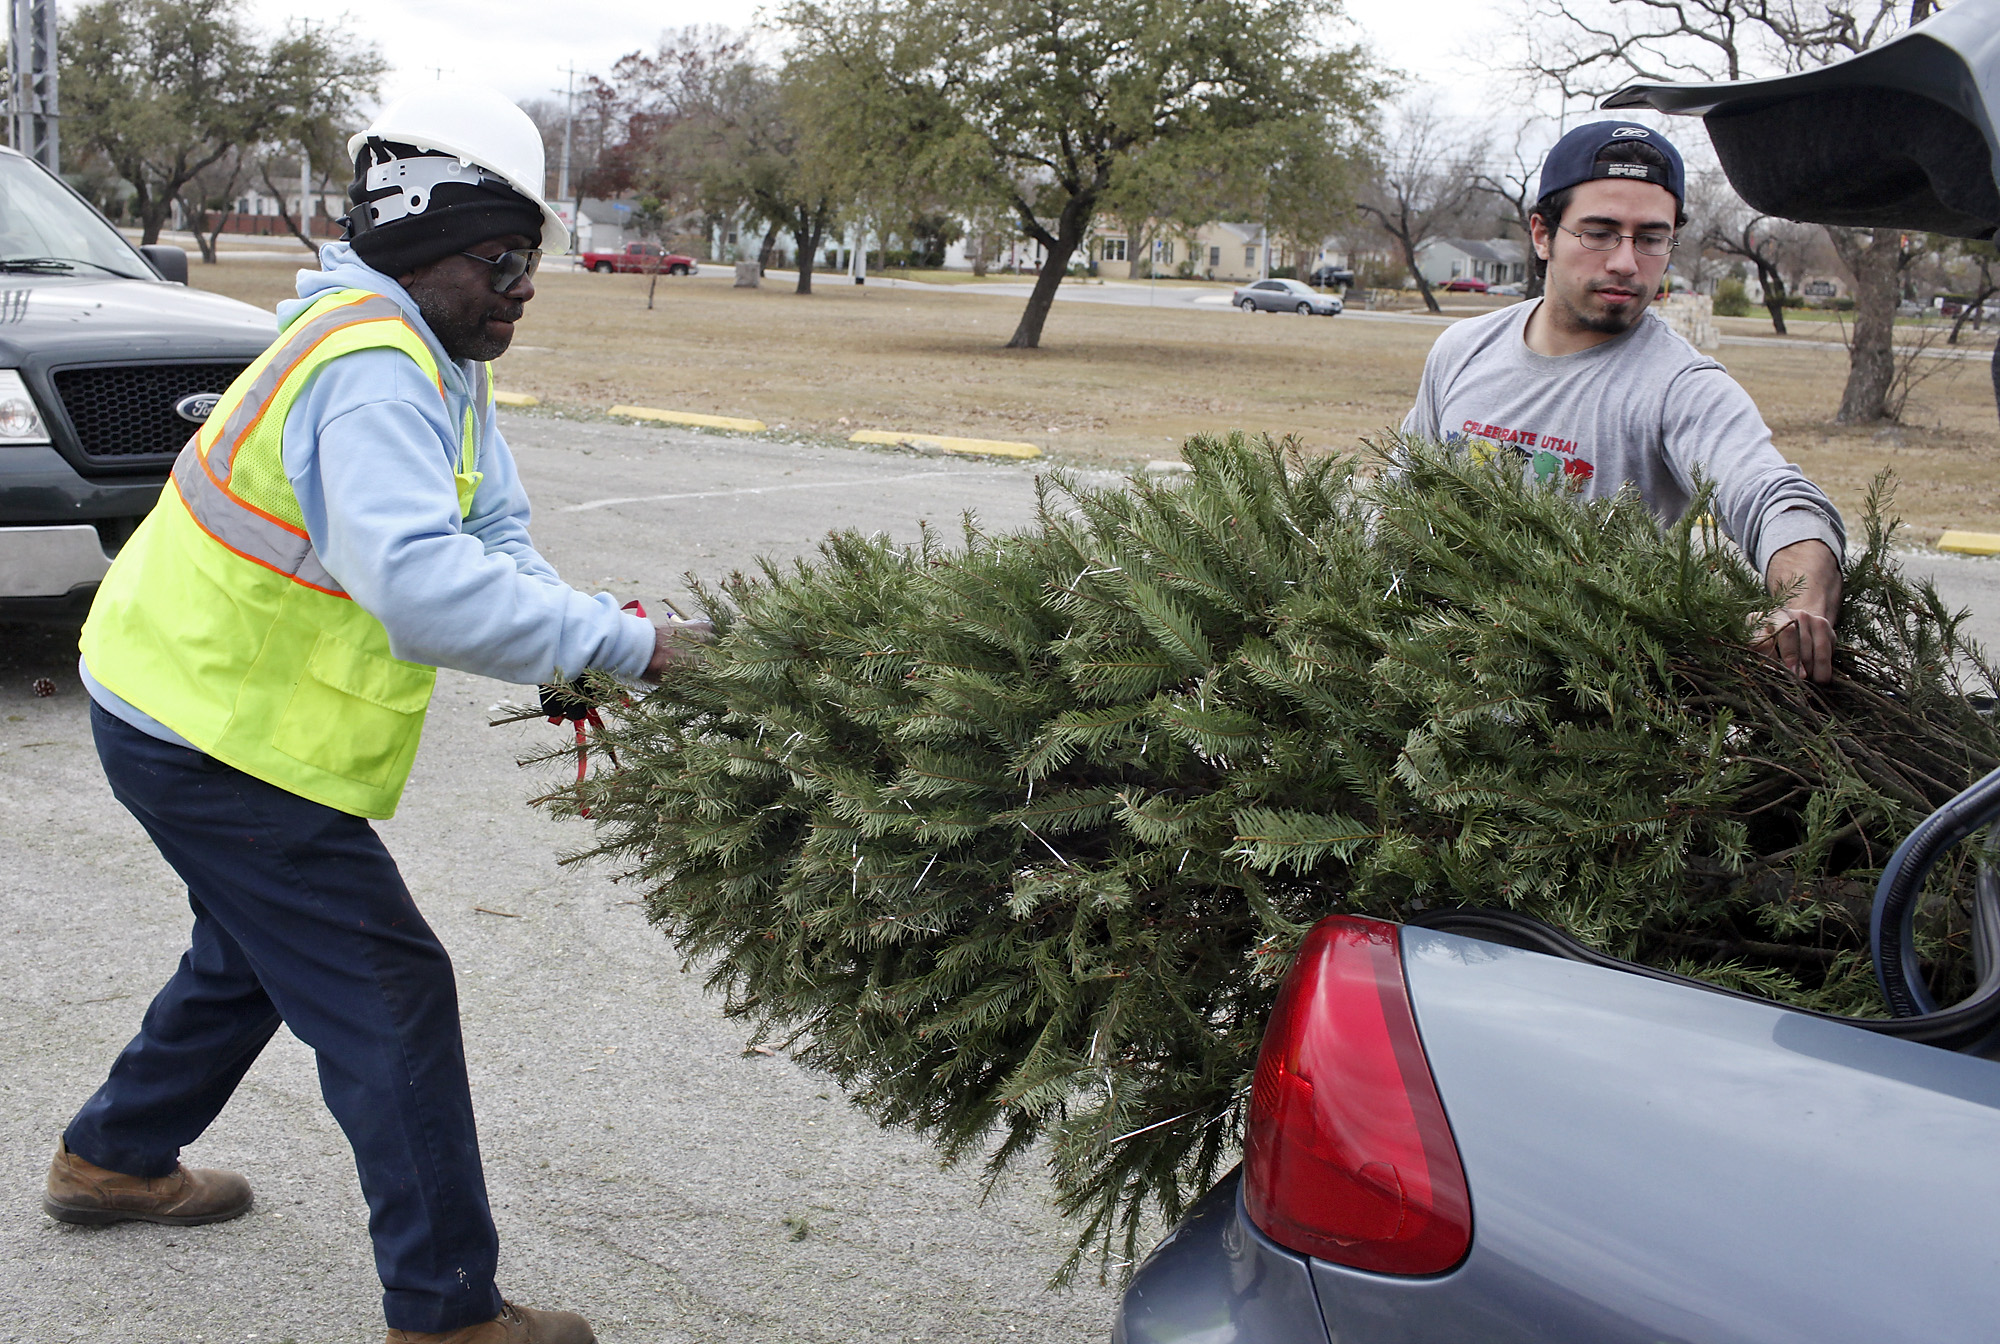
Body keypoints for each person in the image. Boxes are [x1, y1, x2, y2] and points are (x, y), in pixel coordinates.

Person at [45, 86, 701, 1344]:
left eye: (530, 261)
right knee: (388, 986)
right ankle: (447, 1312)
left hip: (200, 705)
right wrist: (639, 647)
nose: (523, 288)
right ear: (421, 245)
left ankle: (111, 1159)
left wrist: (575, 641)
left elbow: (488, 530)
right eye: (500, 260)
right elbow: (419, 586)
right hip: (205, 728)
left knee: (251, 951)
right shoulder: (372, 373)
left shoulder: (435, 357)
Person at [1401, 120, 1846, 683]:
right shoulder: (1463, 349)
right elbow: (1399, 493)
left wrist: (1798, 604)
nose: (1626, 263)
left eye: (1651, 238)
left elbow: (1775, 498)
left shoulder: (1681, 385)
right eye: (1600, 233)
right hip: (1435, 687)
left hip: (1593, 702)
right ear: (1542, 235)